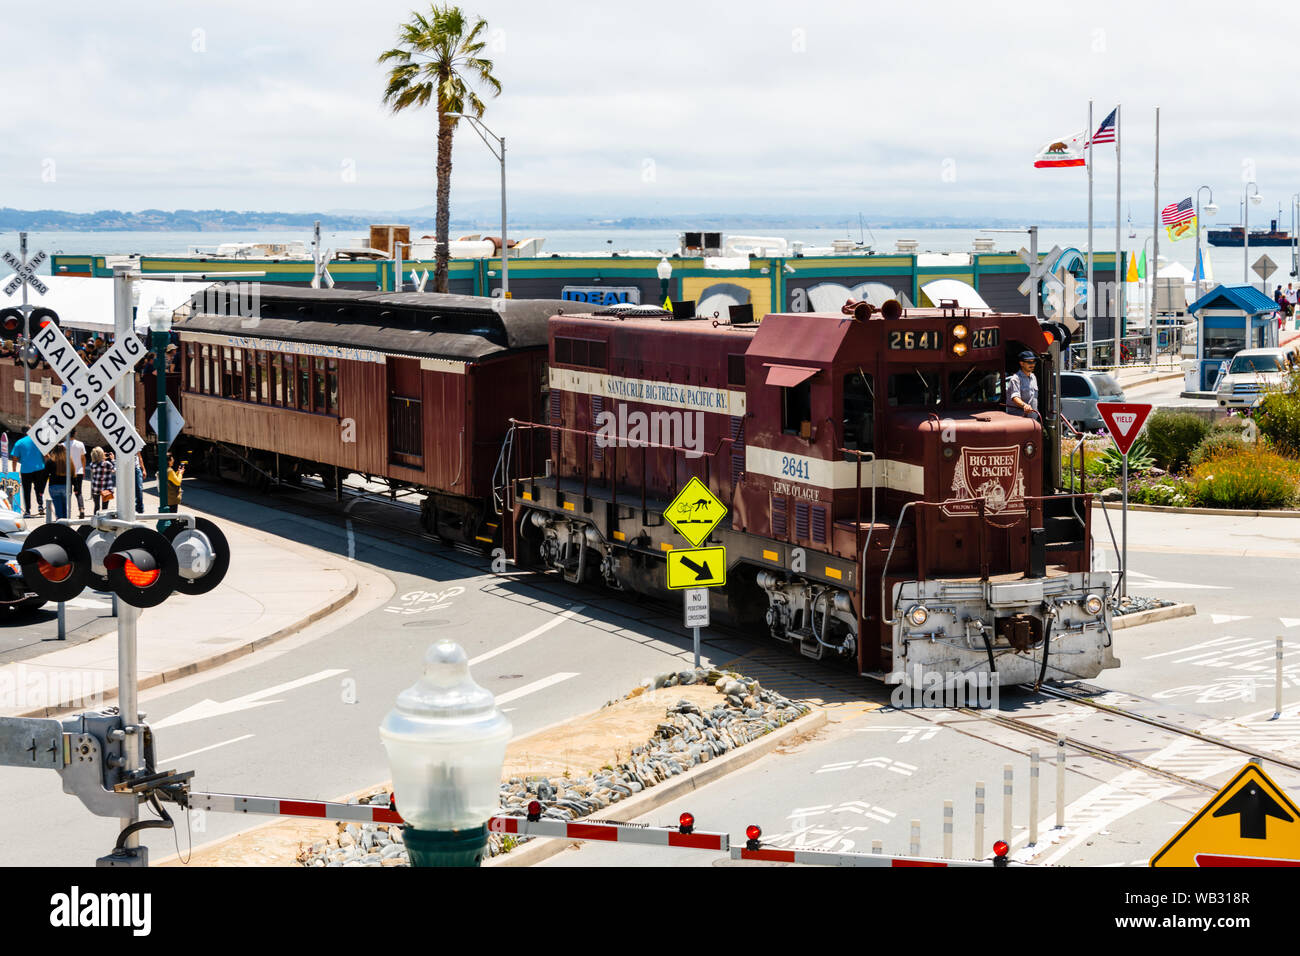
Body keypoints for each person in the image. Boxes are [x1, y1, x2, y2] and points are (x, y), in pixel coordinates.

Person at [12, 428, 47, 518]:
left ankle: (27, 510)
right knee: (39, 488)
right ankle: (40, 506)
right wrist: (47, 468)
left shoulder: (19, 443)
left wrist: (14, 470)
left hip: (26, 470)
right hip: (40, 469)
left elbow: (15, 458)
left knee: (27, 491)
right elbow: (46, 455)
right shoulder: (39, 441)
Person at [1006, 351, 1040, 419]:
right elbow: (1015, 397)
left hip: (1032, 419)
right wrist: (1025, 405)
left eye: (1034, 362)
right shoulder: (1015, 379)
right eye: (1029, 362)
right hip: (1019, 420)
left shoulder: (1033, 377)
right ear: (1022, 363)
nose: (1032, 364)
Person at [89, 446, 115, 513]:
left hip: (96, 487)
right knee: (105, 507)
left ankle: (96, 520)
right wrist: (112, 460)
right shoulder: (107, 464)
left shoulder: (92, 464)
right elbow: (114, 470)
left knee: (96, 506)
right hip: (106, 488)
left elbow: (98, 464)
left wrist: (102, 458)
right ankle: (103, 521)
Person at [46, 444, 69, 519]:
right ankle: (65, 524)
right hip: (66, 486)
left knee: (58, 507)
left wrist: (40, 488)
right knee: (65, 507)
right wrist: (76, 487)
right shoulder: (68, 461)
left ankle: (60, 524)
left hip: (54, 485)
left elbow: (44, 474)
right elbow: (73, 474)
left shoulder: (50, 461)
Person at [69, 437, 87, 518]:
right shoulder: (80, 444)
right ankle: (81, 509)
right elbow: (83, 458)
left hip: (68, 472)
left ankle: (67, 511)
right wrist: (83, 469)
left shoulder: (63, 445)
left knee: (68, 493)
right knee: (78, 492)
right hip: (78, 472)